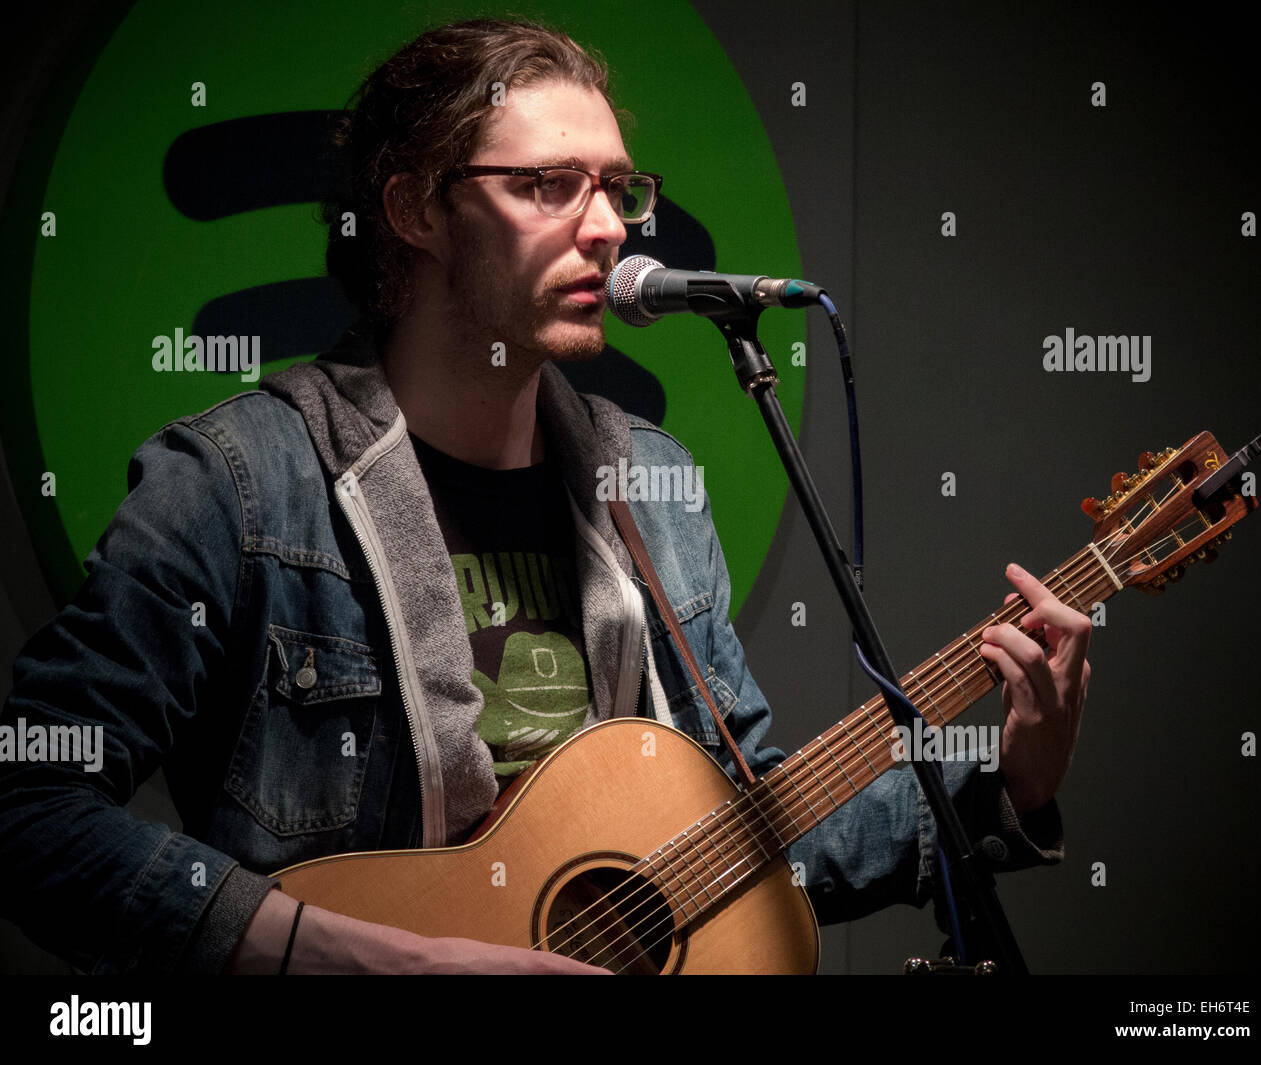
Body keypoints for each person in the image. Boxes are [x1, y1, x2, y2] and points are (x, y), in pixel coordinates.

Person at [0, 18, 1089, 975]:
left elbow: (754, 837)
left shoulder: (648, 489)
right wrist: (378, 961)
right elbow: (29, 806)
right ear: (415, 209)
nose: (610, 227)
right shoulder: (235, 485)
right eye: (547, 185)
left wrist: (1005, 781)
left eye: (618, 188)